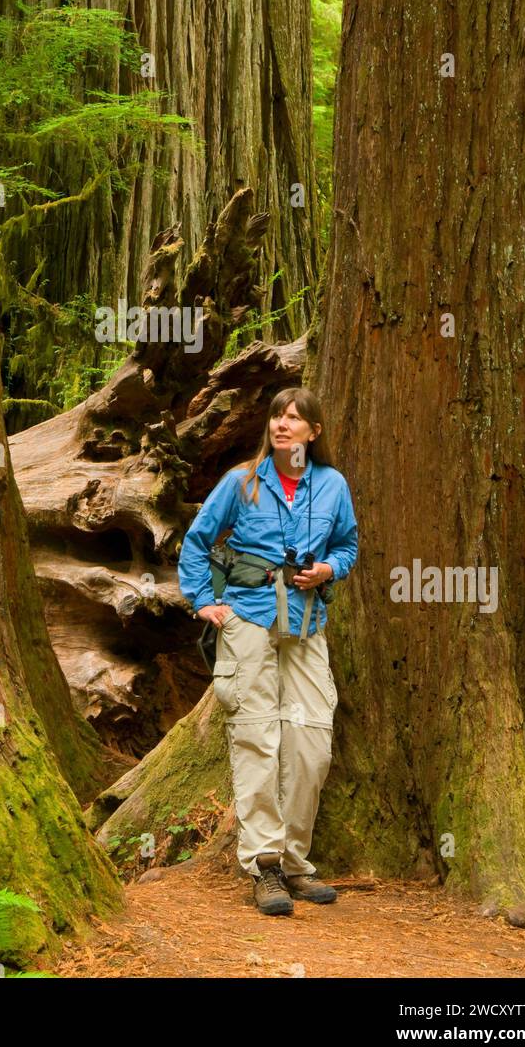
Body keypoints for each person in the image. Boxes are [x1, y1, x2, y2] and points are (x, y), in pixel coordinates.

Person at [177, 386, 358, 916]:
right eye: (278, 415)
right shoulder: (243, 481)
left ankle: (297, 862)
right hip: (248, 620)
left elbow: (347, 545)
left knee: (310, 745)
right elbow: (198, 539)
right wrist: (204, 602)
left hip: (305, 620)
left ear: (313, 432)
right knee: (257, 737)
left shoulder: (332, 486)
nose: (283, 424)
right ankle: (265, 866)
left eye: (295, 418)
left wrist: (329, 568)